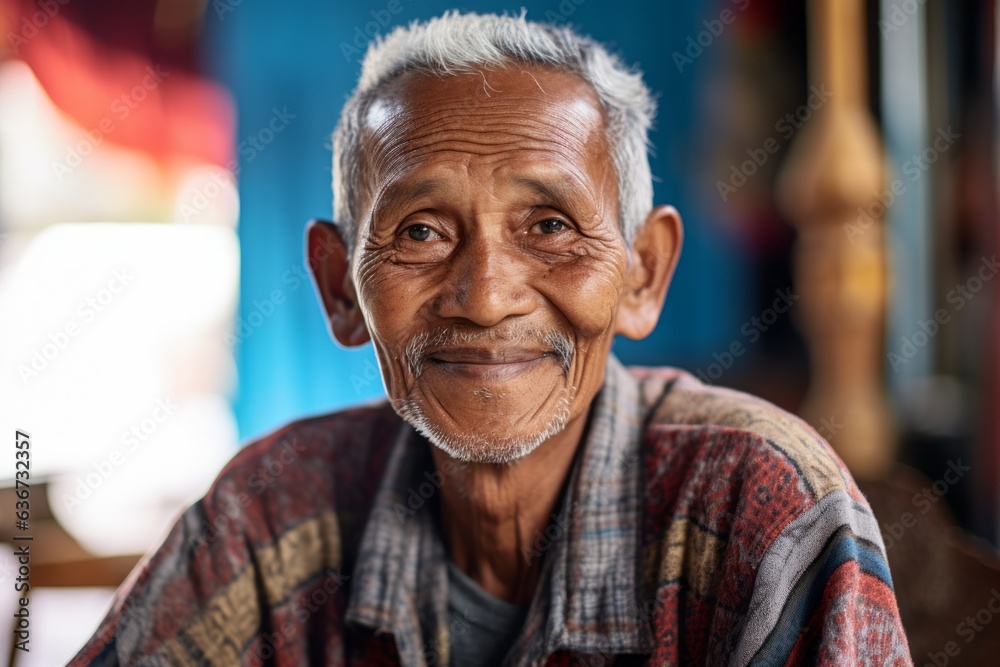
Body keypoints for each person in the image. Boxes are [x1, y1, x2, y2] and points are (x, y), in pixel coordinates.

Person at [71, 11, 912, 667]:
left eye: (549, 225)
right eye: (422, 233)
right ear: (339, 287)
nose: (485, 297)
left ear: (644, 273)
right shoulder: (272, 514)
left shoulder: (755, 505)